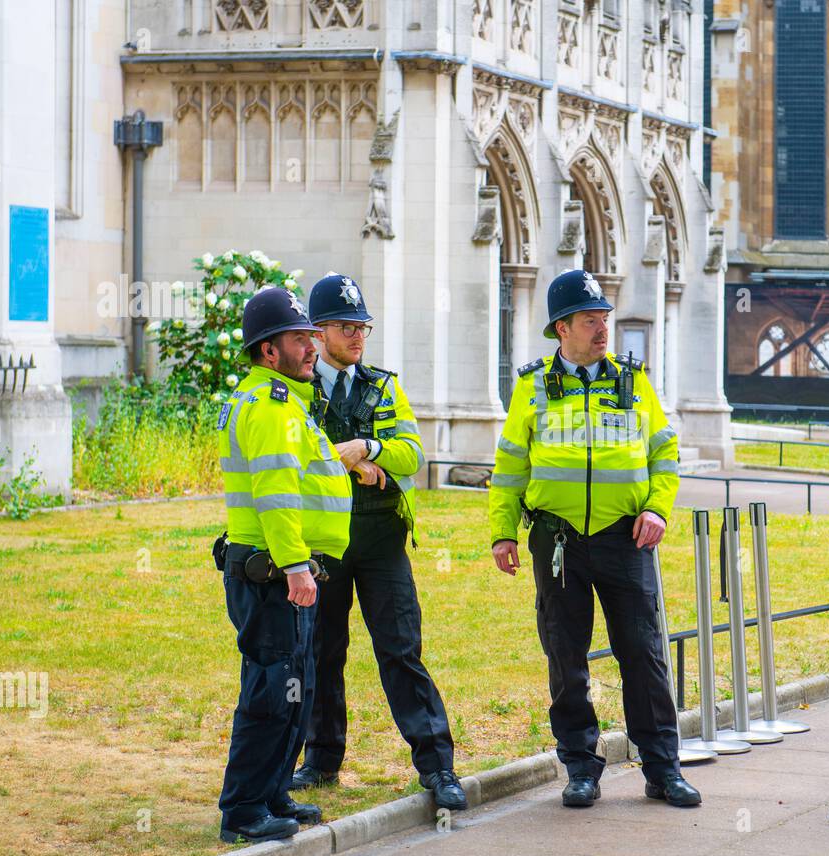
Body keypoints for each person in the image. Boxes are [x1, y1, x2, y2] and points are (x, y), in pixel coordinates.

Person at [488, 269, 700, 809]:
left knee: (644, 655)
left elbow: (664, 453)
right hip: (557, 540)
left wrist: (657, 509)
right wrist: (502, 533)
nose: (602, 327)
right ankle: (581, 767)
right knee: (566, 655)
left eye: (604, 317)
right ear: (562, 328)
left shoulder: (633, 381)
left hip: (627, 538)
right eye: (590, 319)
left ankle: (662, 768)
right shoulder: (532, 385)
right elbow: (511, 464)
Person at [289, 273, 467, 812]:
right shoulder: (296, 390)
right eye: (347, 327)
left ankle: (438, 768)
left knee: (401, 650)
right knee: (319, 653)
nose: (358, 336)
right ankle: (320, 759)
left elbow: (412, 453)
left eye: (362, 326)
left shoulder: (383, 386)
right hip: (323, 543)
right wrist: (350, 464)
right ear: (317, 334)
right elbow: (293, 461)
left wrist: (369, 450)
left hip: (381, 538)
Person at [215, 286, 352, 843]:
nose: (312, 347)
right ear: (269, 350)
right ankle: (244, 809)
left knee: (294, 685)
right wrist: (297, 564)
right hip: (273, 572)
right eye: (300, 339)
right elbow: (275, 494)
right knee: (273, 691)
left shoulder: (283, 401)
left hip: (280, 570)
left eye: (311, 337)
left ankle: (271, 791)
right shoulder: (272, 406)